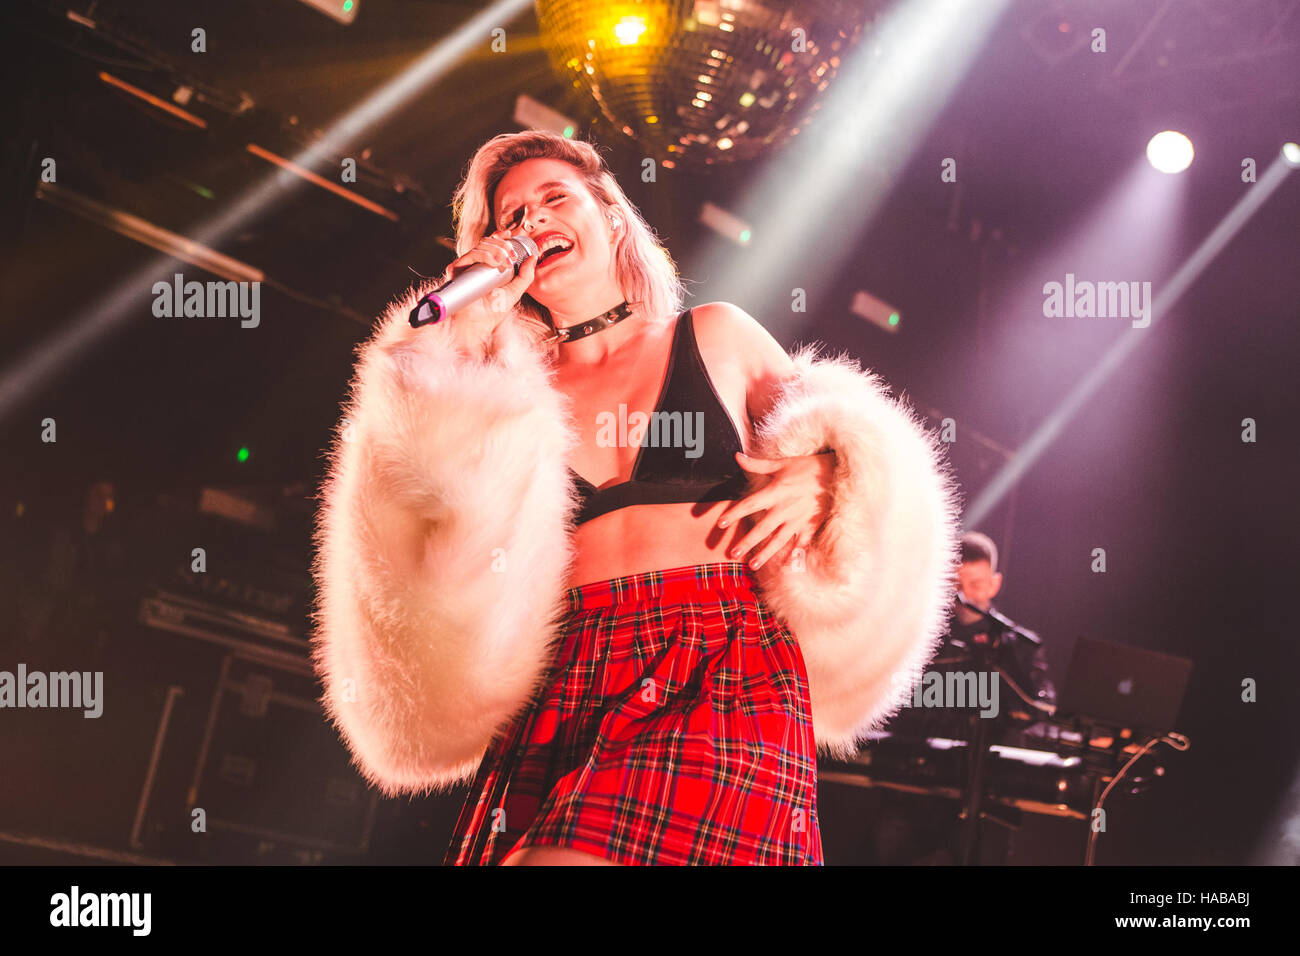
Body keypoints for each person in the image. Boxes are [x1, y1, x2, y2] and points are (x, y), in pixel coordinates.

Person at [310, 130, 959, 865]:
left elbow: (851, 452)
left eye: (555, 198)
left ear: (612, 216)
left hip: (723, 663)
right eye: (509, 217)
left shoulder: (715, 335)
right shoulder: (507, 389)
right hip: (569, 670)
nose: (531, 222)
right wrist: (466, 339)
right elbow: (411, 499)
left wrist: (827, 481)